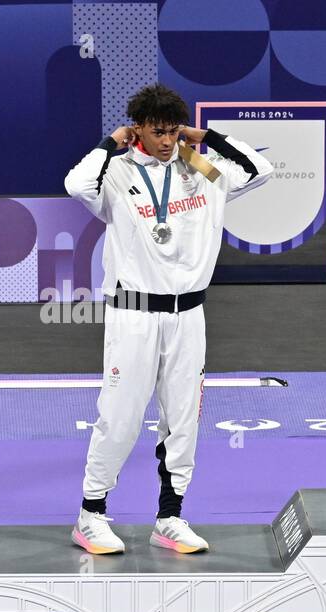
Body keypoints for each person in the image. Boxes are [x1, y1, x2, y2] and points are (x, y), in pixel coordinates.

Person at [64, 83, 272, 554]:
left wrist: (206, 138)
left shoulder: (199, 169)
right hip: (134, 315)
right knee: (119, 418)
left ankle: (170, 517)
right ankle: (90, 515)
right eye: (157, 132)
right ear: (137, 130)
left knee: (182, 420)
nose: (166, 141)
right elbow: (75, 185)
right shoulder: (116, 173)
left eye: (173, 131)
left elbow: (261, 171)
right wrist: (109, 143)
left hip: (189, 315)